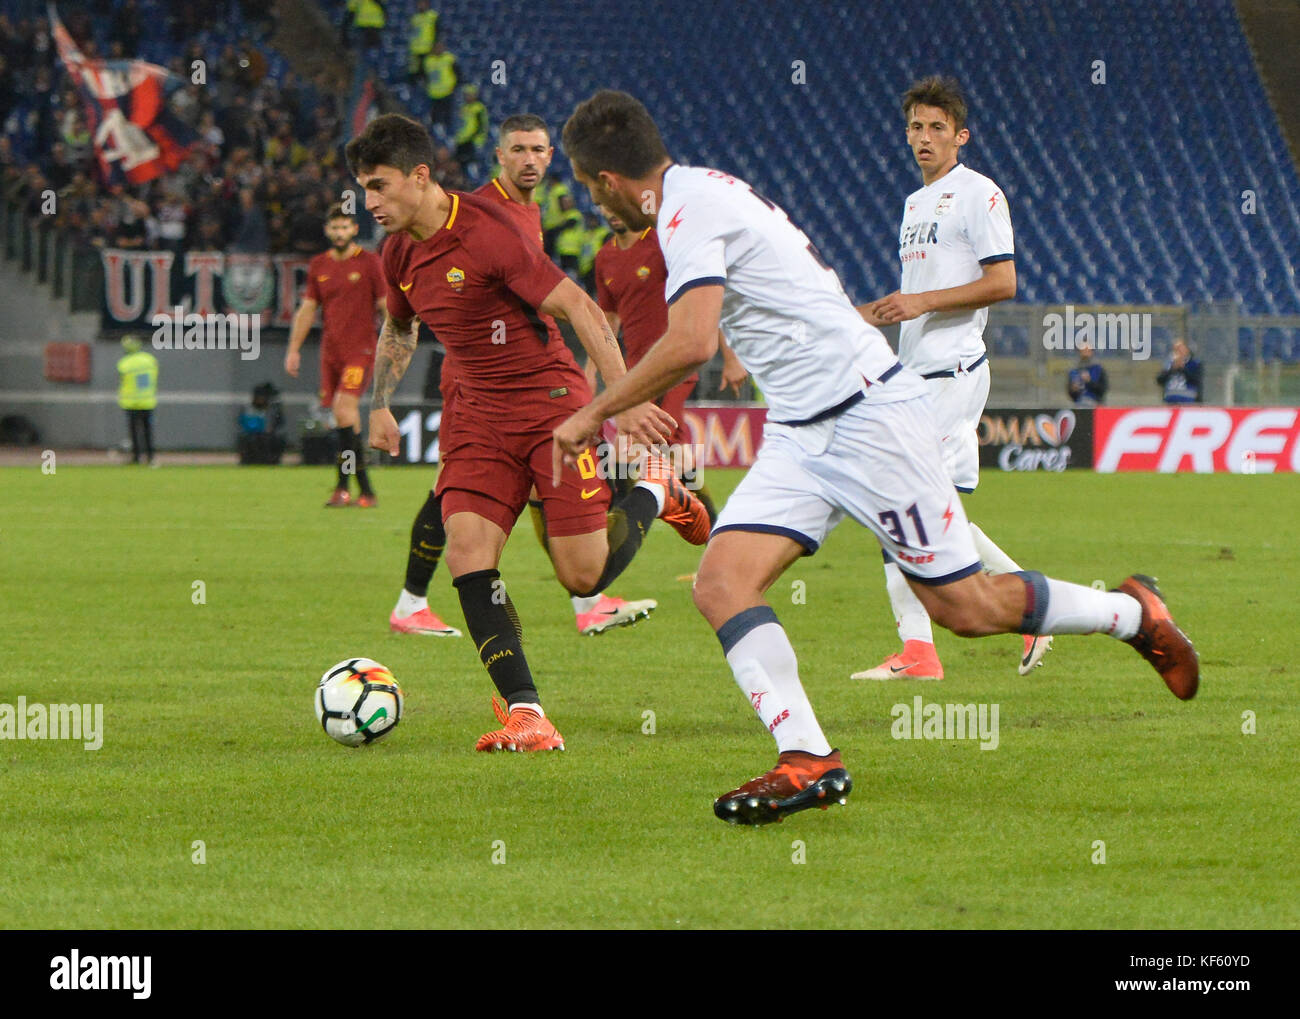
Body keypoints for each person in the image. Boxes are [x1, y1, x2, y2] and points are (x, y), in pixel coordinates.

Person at [554, 89, 1200, 825]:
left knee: (964, 606)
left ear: (606, 180)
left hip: (866, 417)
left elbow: (692, 341)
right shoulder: (699, 194)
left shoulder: (684, 210)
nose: (595, 207)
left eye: (585, 187)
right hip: (801, 428)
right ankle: (807, 757)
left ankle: (1130, 611)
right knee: (721, 581)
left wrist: (594, 411)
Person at [347, 113, 710, 753]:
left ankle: (654, 487)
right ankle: (526, 714)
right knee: (467, 552)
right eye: (363, 188)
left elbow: (579, 306)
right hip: (478, 418)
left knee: (582, 577)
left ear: (420, 176)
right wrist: (380, 401)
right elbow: (400, 325)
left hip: (549, 409)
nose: (368, 203)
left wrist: (621, 401)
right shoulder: (397, 250)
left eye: (378, 186)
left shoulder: (490, 233)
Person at [390, 113, 658, 639]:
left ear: (551, 157)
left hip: (527, 385)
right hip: (483, 384)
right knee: (450, 496)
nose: (529, 159)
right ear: (500, 156)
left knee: (545, 488)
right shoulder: (486, 212)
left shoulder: (530, 213)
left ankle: (589, 601)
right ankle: (411, 602)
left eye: (538, 150)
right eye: (519, 150)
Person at [853, 75, 1047, 682]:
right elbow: (915, 300)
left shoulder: (979, 194)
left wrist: (922, 303)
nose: (924, 138)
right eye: (915, 126)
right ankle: (1026, 609)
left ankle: (923, 650)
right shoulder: (915, 204)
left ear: (961, 136)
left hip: (954, 374)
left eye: (938, 127)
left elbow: (1004, 283)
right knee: (924, 512)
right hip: (916, 375)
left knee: (897, 499)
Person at [285, 203, 386, 507]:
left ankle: (350, 488)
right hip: (331, 353)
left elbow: (386, 307)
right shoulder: (319, 265)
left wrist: (396, 343)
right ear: (327, 231)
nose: (340, 233)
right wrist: (293, 349)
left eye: (345, 227)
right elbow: (307, 310)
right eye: (335, 227)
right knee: (346, 422)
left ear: (354, 230)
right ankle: (361, 491)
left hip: (361, 349)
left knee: (343, 410)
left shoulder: (369, 263)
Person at [116, 334, 158, 466]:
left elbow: (122, 380)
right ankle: (150, 457)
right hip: (147, 401)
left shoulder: (124, 363)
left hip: (131, 402)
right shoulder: (149, 359)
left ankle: (136, 457)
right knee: (148, 431)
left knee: (134, 431)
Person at [1067, 340, 1108, 405]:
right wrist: (1073, 389)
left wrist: (1089, 381)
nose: (1085, 353)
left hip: (1096, 403)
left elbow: (1102, 390)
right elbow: (1070, 393)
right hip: (1078, 404)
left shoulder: (1098, 369)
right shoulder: (1074, 370)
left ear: (1092, 352)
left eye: (1087, 350)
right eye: (1082, 350)